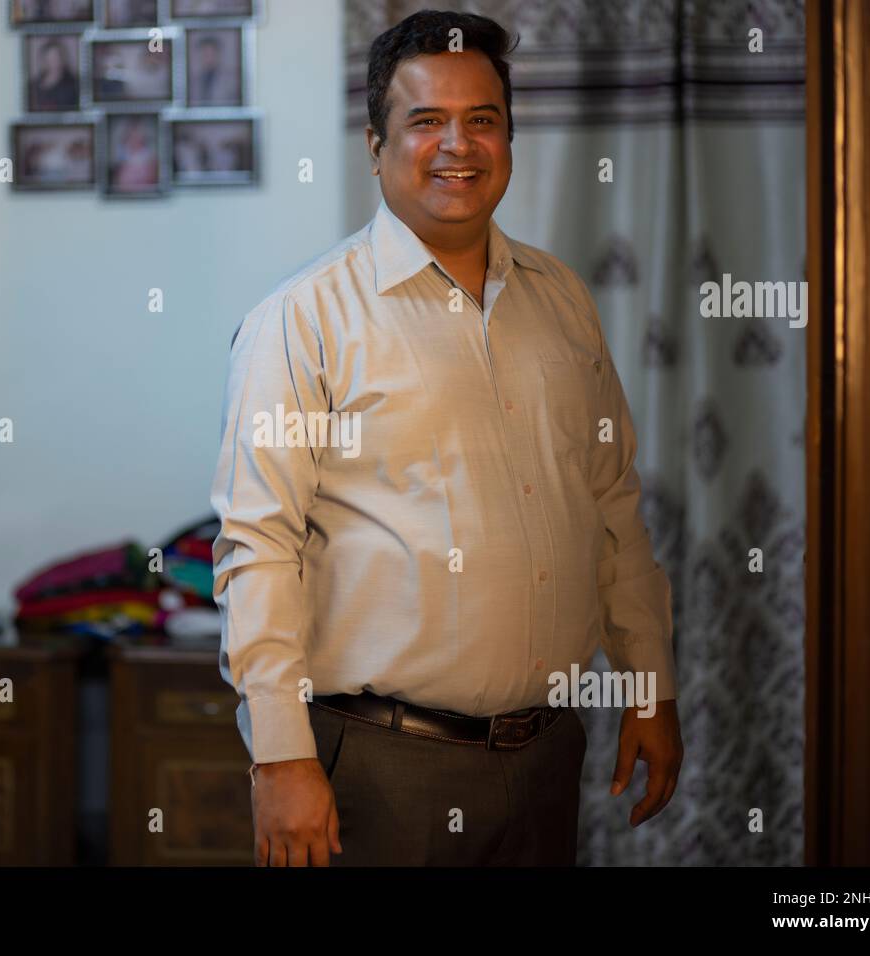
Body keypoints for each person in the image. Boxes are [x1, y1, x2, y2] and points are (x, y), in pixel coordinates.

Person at [210, 9, 685, 867]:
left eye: (482, 120)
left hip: (546, 757)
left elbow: (614, 508)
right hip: (383, 770)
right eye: (425, 120)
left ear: (508, 136)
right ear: (374, 143)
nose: (456, 145)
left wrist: (650, 689)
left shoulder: (562, 300)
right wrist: (280, 757)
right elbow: (258, 546)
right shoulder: (302, 319)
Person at [28, 38, 79, 110]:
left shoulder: (74, 84)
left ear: (63, 58)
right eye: (50, 58)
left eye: (57, 57)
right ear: (44, 60)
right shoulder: (33, 85)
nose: (54, 62)